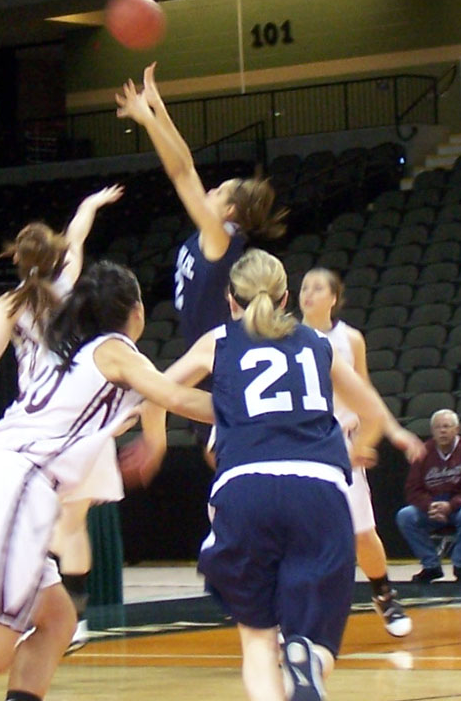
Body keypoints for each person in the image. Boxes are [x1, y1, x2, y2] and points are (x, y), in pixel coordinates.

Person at [0, 261, 213, 701]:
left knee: (57, 621)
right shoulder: (114, 349)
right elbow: (177, 395)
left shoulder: (74, 350)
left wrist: (155, 439)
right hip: (14, 487)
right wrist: (252, 410)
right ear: (137, 311)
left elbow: (160, 398)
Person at [163, 248, 389, 701]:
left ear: (230, 298)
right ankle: (308, 658)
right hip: (319, 488)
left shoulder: (219, 340)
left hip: (245, 485)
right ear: (287, 296)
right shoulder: (317, 342)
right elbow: (371, 411)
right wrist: (362, 446)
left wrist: (210, 415)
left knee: (258, 638)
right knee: (319, 638)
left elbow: (163, 390)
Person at [0, 185, 123, 652]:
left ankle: (32, 612)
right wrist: (90, 205)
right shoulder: (71, 282)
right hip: (84, 419)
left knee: (38, 520)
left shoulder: (10, 305)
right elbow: (77, 235)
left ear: (18, 262)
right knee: (72, 522)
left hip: (37, 425)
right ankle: (73, 618)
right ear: (57, 257)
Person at [115, 63, 287, 348]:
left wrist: (147, 120)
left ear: (230, 211)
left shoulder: (221, 240)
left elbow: (180, 174)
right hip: (203, 350)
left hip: (217, 356)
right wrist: (158, 107)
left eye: (219, 191)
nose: (210, 190)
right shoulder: (216, 233)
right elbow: (186, 164)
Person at [298, 267, 423, 636]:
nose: (308, 293)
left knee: (362, 532)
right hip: (301, 442)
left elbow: (365, 392)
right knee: (299, 533)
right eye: (303, 286)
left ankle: (383, 594)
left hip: (342, 444)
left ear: (334, 297)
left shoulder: (349, 339)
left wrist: (394, 431)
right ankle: (297, 609)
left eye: (317, 288)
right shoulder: (286, 335)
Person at [395, 409, 461, 583]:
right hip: (432, 508)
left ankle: (460, 564)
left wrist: (451, 505)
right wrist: (429, 505)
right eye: (438, 427)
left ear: (457, 429)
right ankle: (431, 565)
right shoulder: (423, 452)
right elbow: (413, 488)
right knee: (405, 515)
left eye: (447, 426)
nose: (442, 431)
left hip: (460, 508)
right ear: (432, 431)